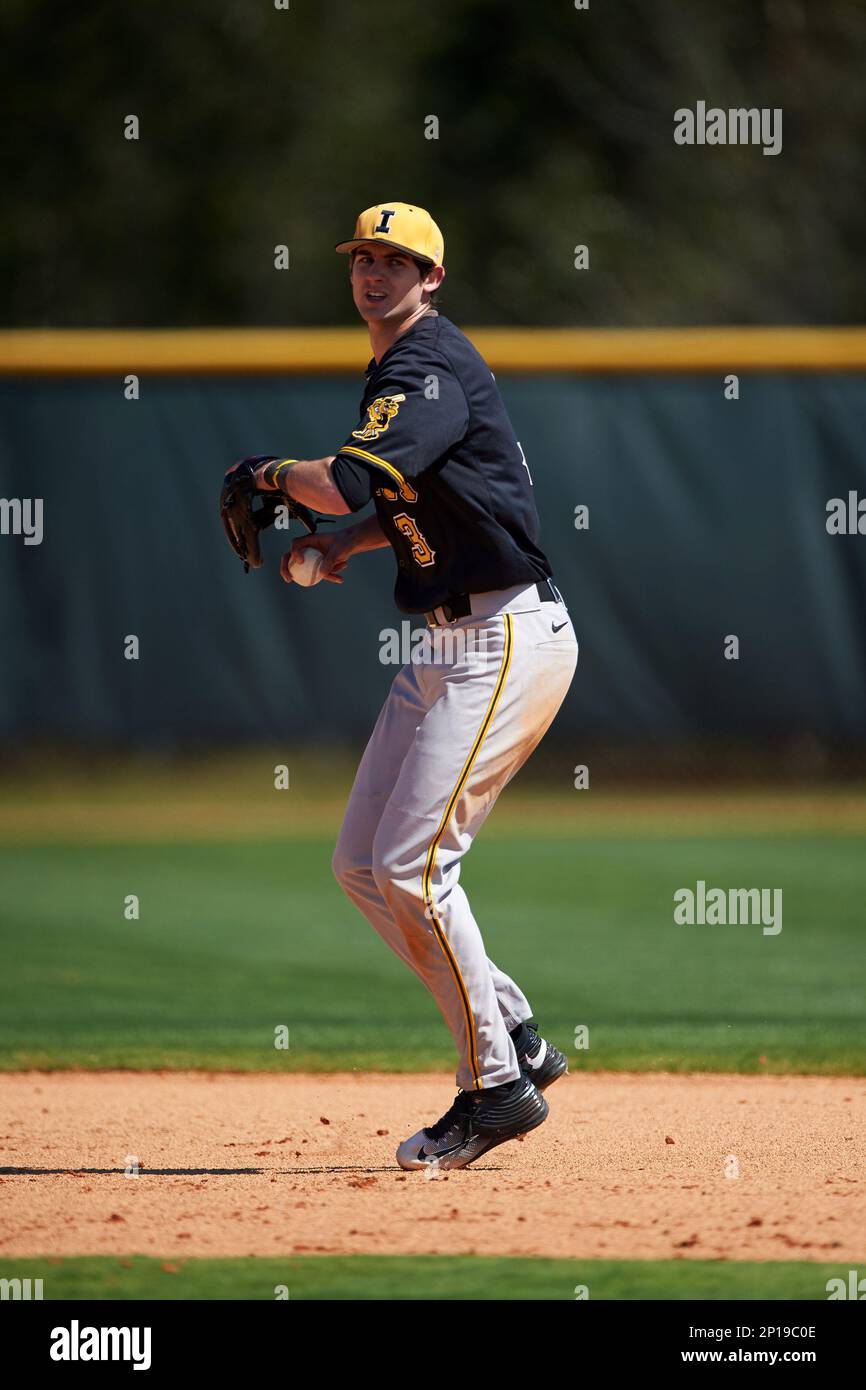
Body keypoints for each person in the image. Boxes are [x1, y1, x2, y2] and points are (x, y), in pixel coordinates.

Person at [249, 202, 578, 1170]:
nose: (373, 272)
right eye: (362, 257)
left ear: (431, 278)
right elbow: (400, 500)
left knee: (411, 866)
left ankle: (495, 1091)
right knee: (362, 862)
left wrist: (266, 474)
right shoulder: (400, 371)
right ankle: (511, 1033)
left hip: (504, 631)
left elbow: (349, 480)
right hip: (446, 638)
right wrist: (345, 544)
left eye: (396, 260)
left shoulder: (425, 363)